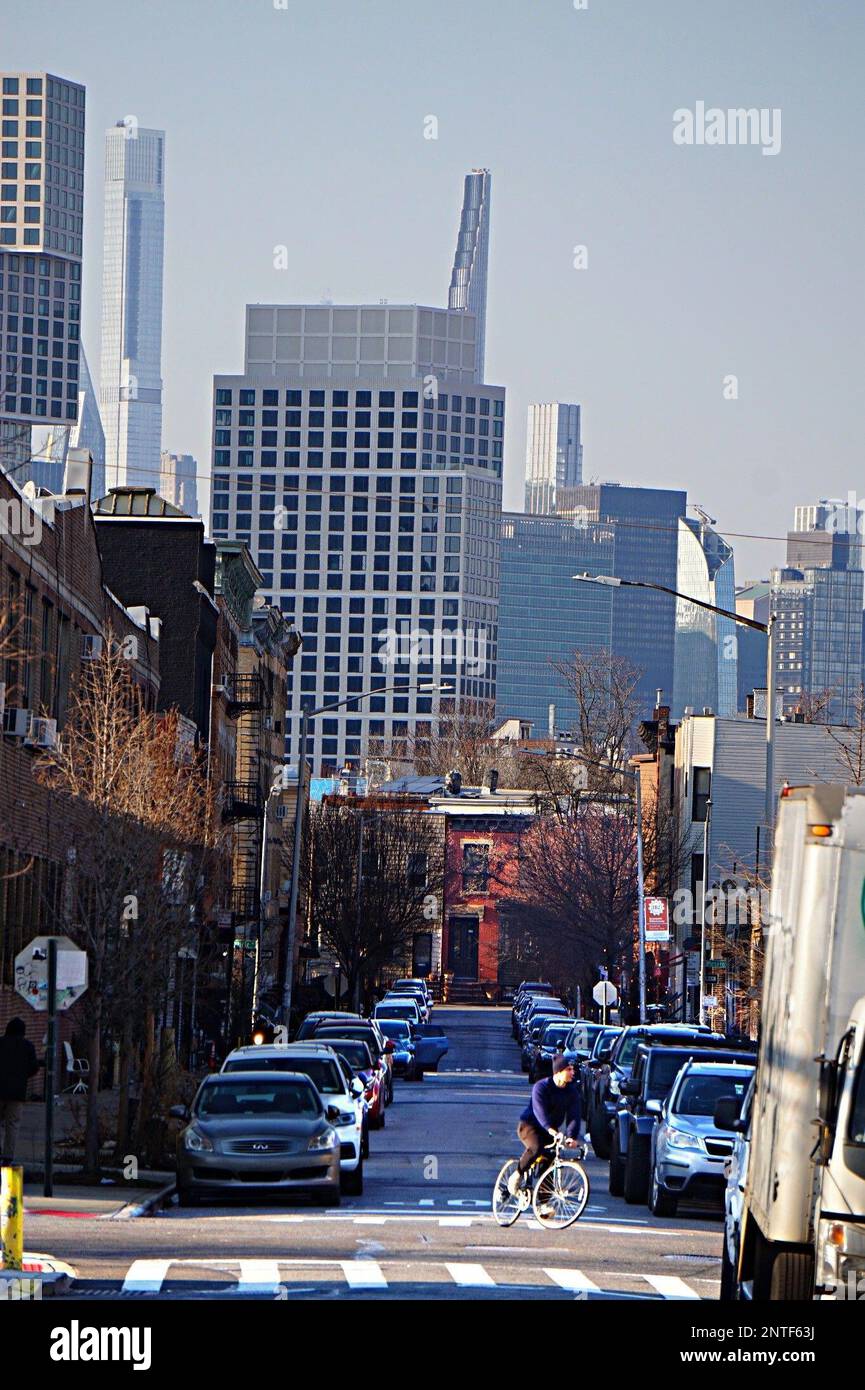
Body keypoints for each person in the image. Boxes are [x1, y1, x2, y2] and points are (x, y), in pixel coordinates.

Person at [508, 1052, 581, 1195]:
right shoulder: (541, 1087)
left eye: (573, 1069)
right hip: (529, 1125)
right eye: (569, 1069)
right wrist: (551, 1129)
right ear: (559, 1071)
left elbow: (574, 1115)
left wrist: (571, 1136)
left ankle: (542, 1203)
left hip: (550, 1130)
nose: (573, 1072)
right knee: (536, 1147)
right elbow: (539, 1111)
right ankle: (517, 1175)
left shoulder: (572, 1092)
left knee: (550, 1160)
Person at [0, 1017, 41, 1163]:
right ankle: (7, 1156)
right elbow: (34, 1068)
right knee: (12, 1124)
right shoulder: (28, 1046)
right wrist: (22, 1076)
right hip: (17, 1092)